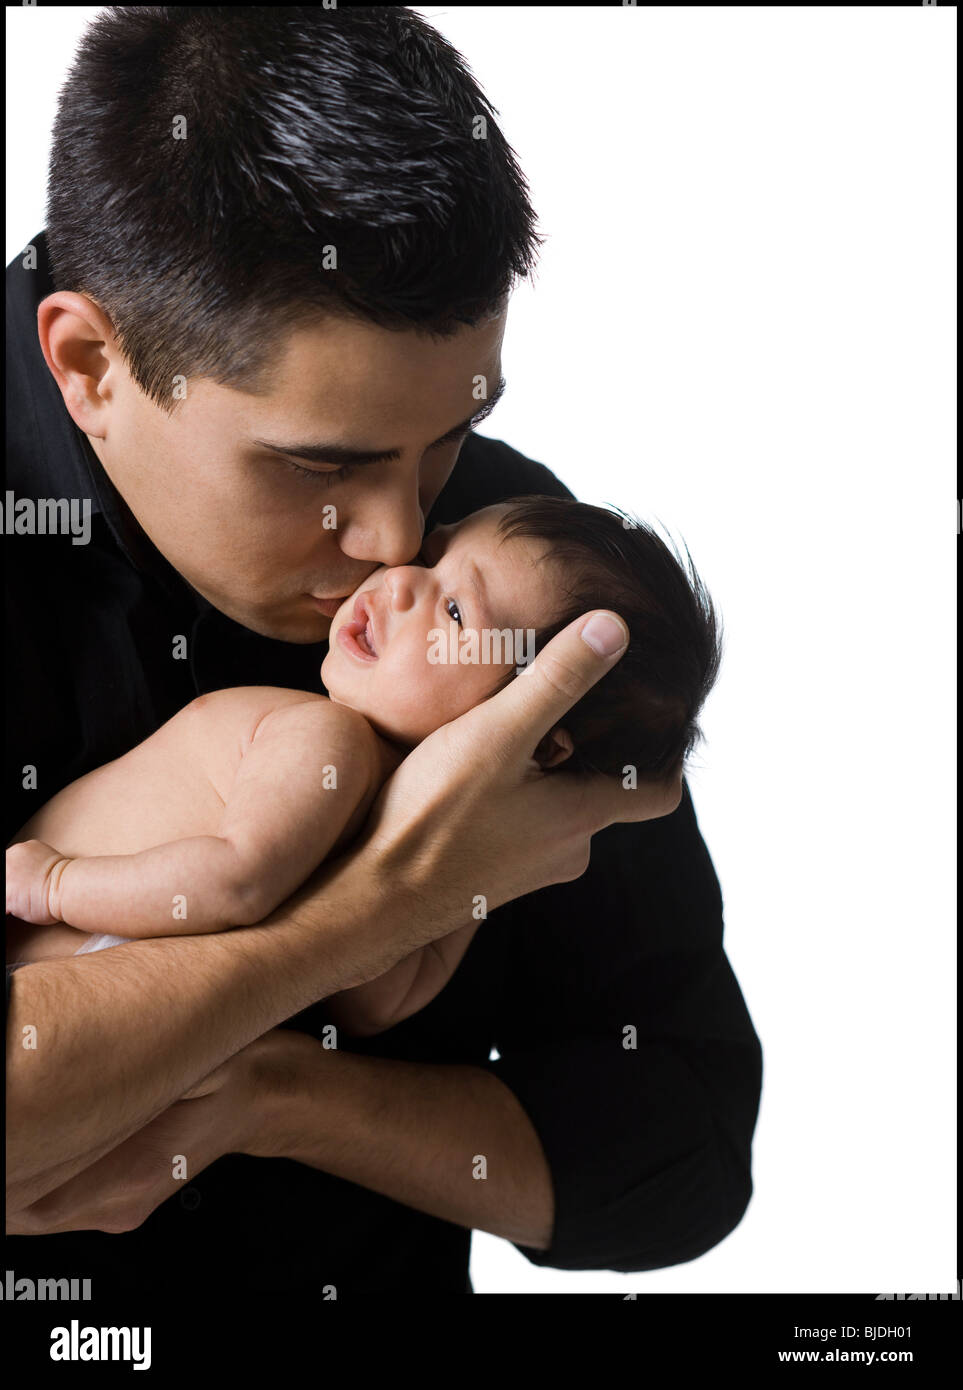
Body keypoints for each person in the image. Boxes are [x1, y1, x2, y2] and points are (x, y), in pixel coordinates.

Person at [5, 7, 761, 1297]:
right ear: (89, 366)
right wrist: (376, 913)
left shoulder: (510, 569)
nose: (403, 535)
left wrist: (279, 1095)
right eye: (323, 465)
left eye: (446, 438)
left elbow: (681, 1145)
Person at [6, 495, 722, 1046]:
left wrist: (462, 879)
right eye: (433, 554)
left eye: (451, 609)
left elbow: (371, 993)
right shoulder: (322, 736)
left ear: (536, 732)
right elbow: (236, 881)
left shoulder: (346, 753)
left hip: (79, 993)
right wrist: (52, 883)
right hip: (48, 966)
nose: (401, 579)